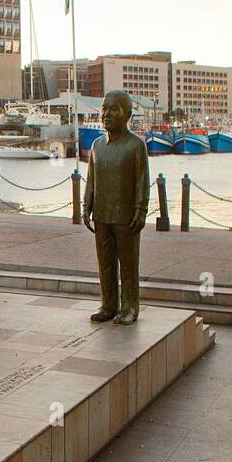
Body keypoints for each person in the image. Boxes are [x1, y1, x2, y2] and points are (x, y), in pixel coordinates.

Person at [84, 89, 150, 324]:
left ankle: (130, 307)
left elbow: (143, 181)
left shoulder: (136, 146)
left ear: (127, 114)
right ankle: (108, 304)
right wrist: (86, 206)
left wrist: (141, 210)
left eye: (113, 109)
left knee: (128, 266)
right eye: (104, 108)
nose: (106, 114)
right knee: (106, 265)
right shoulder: (97, 145)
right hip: (101, 215)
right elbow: (91, 178)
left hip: (125, 217)